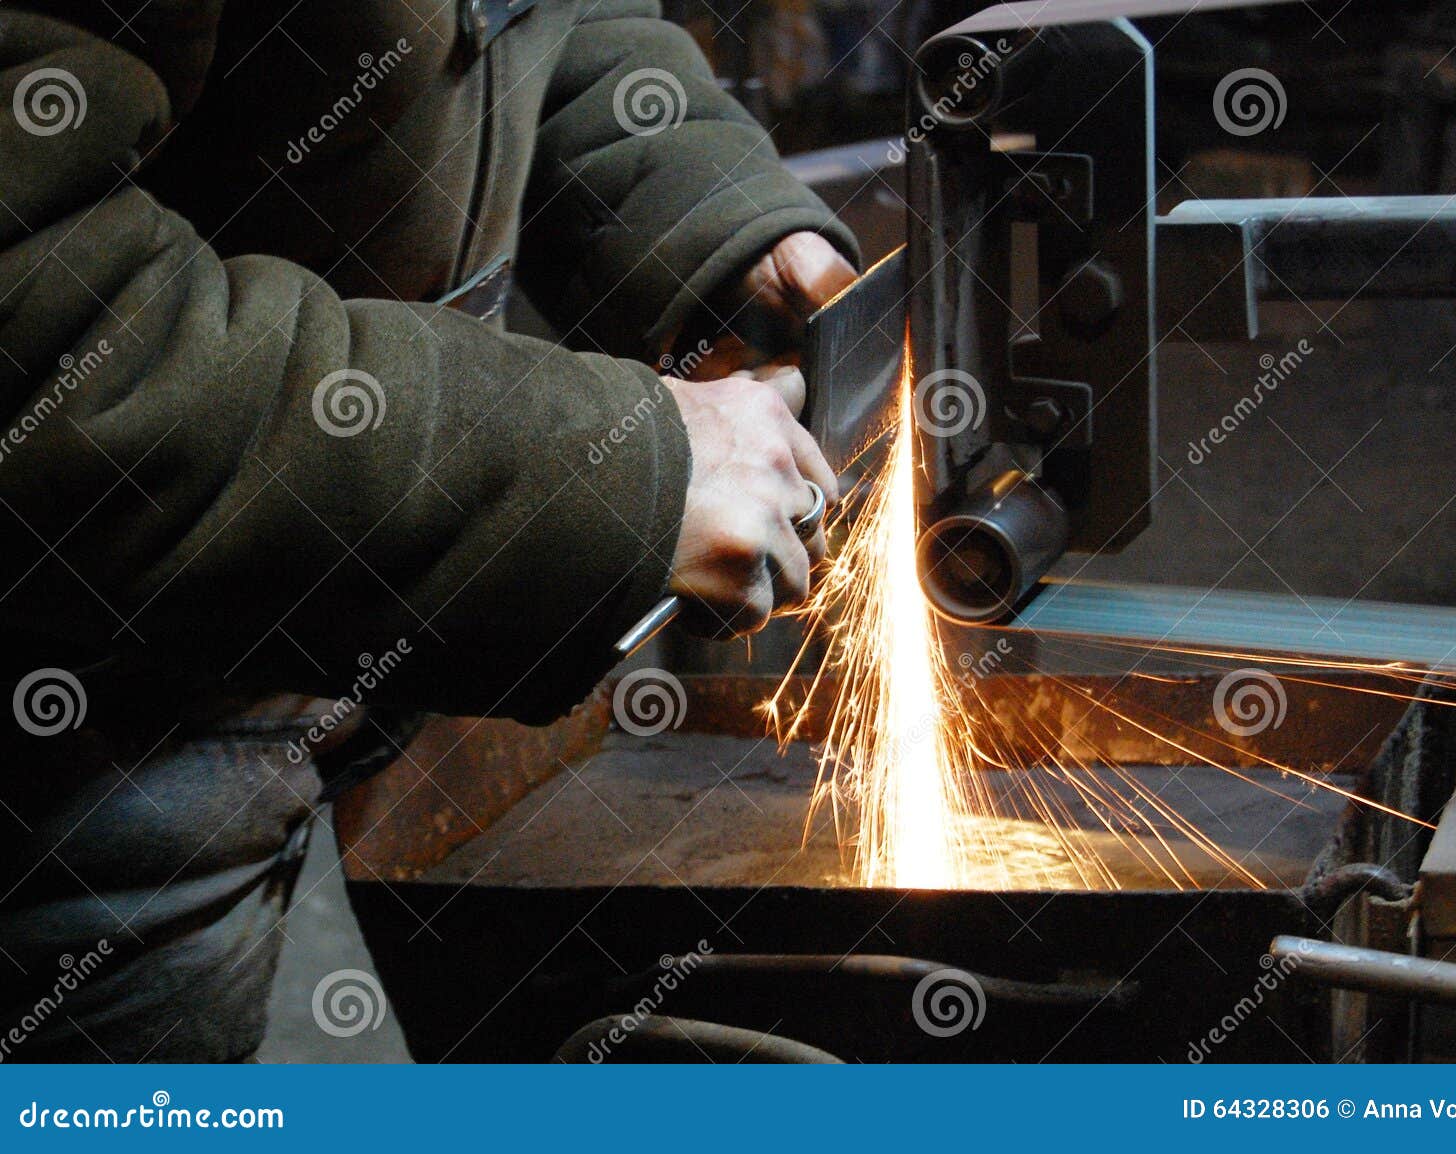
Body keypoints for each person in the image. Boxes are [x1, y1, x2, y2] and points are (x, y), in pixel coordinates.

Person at [0, 0, 857, 1061]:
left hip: (319, 664)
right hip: (75, 786)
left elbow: (561, 27)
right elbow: (44, 328)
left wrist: (714, 223)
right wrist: (607, 469)